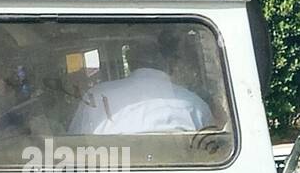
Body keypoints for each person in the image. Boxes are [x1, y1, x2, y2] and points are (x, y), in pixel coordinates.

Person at [68, 40, 213, 136]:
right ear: (169, 63)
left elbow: (75, 145)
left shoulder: (96, 95)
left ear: (130, 60)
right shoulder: (194, 103)